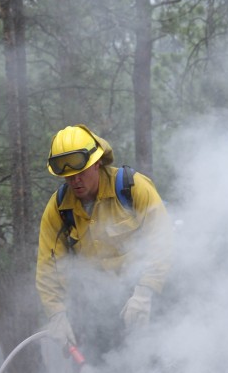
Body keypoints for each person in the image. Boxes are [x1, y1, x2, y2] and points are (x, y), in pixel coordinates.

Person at [35, 124, 173, 360]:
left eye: (81, 172)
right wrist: (56, 315)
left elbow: (162, 239)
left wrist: (144, 293)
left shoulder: (132, 188)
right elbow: (48, 265)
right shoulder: (58, 208)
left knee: (160, 370)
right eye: (68, 176)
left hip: (148, 299)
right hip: (100, 312)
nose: (75, 180)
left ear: (97, 163)